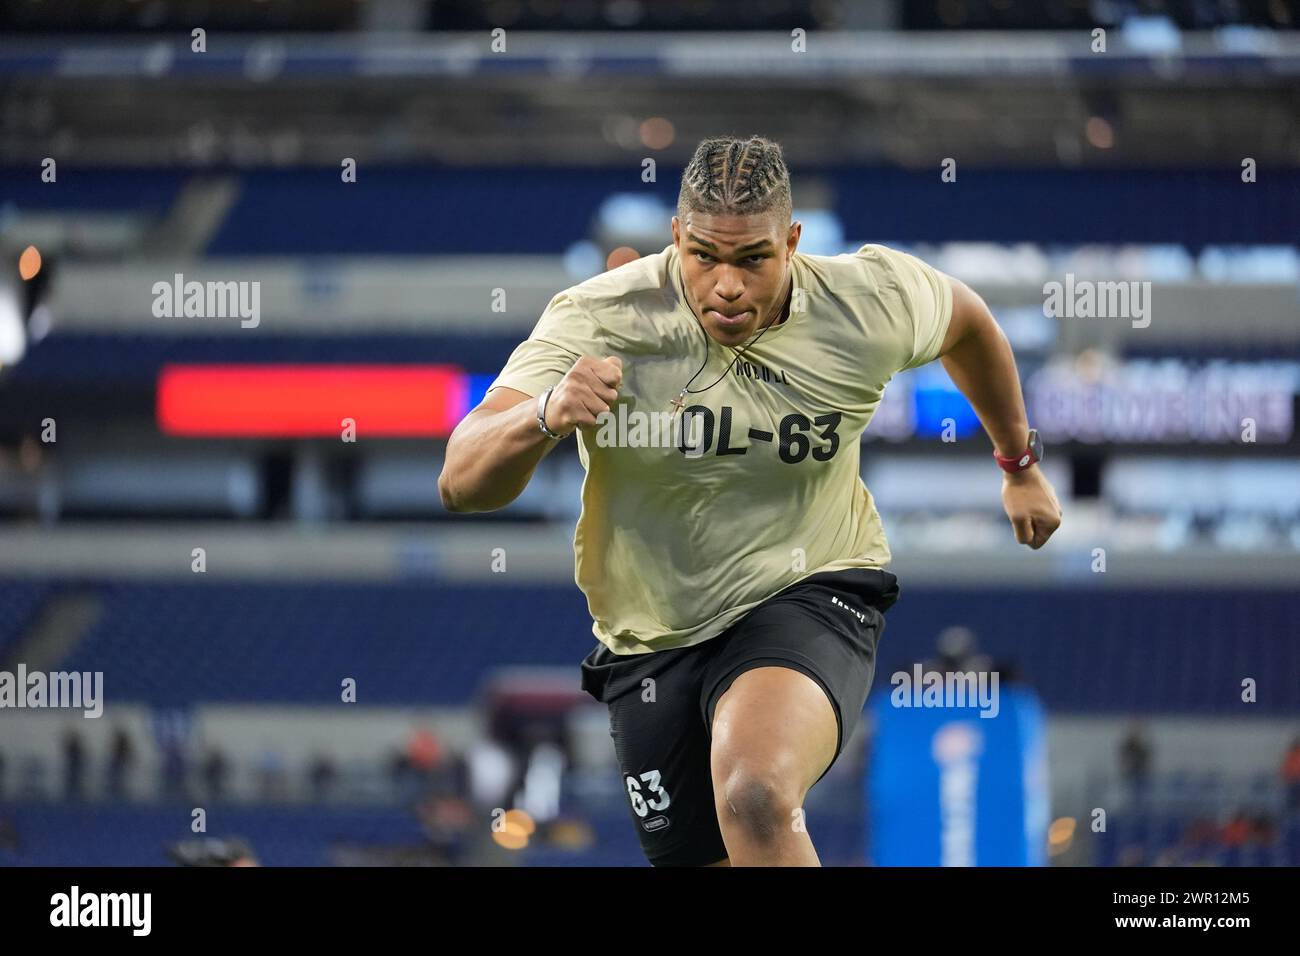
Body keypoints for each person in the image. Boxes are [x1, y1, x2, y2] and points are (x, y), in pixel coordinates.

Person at [438, 135, 1062, 866]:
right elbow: (462, 479)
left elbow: (969, 323)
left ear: (792, 243)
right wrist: (544, 411)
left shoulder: (868, 301)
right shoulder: (601, 317)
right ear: (676, 238)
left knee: (756, 793)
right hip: (651, 642)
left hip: (810, 588)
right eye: (704, 256)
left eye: (752, 260)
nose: (726, 286)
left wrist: (1018, 463)